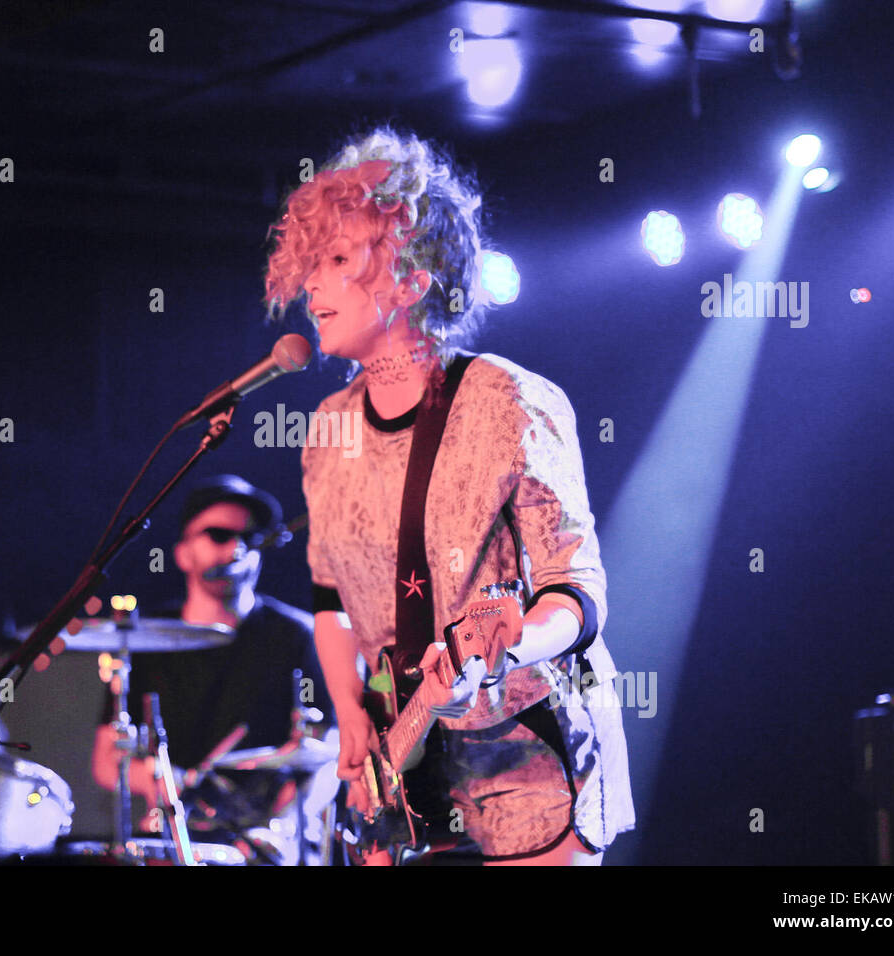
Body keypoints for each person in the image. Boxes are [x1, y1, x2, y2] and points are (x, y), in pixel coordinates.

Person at [264, 126, 635, 865]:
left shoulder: (509, 400)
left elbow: (576, 590)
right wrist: (348, 711)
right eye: (313, 260)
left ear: (410, 277)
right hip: (403, 759)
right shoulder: (328, 427)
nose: (314, 282)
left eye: (338, 259)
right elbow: (330, 596)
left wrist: (507, 646)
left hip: (527, 743)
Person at [90, 474, 335, 862]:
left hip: (266, 839)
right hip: (176, 831)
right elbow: (106, 762)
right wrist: (164, 779)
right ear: (184, 553)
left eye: (252, 539)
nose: (237, 548)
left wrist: (282, 825)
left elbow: (329, 754)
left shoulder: (299, 636)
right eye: (219, 535)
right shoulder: (144, 642)